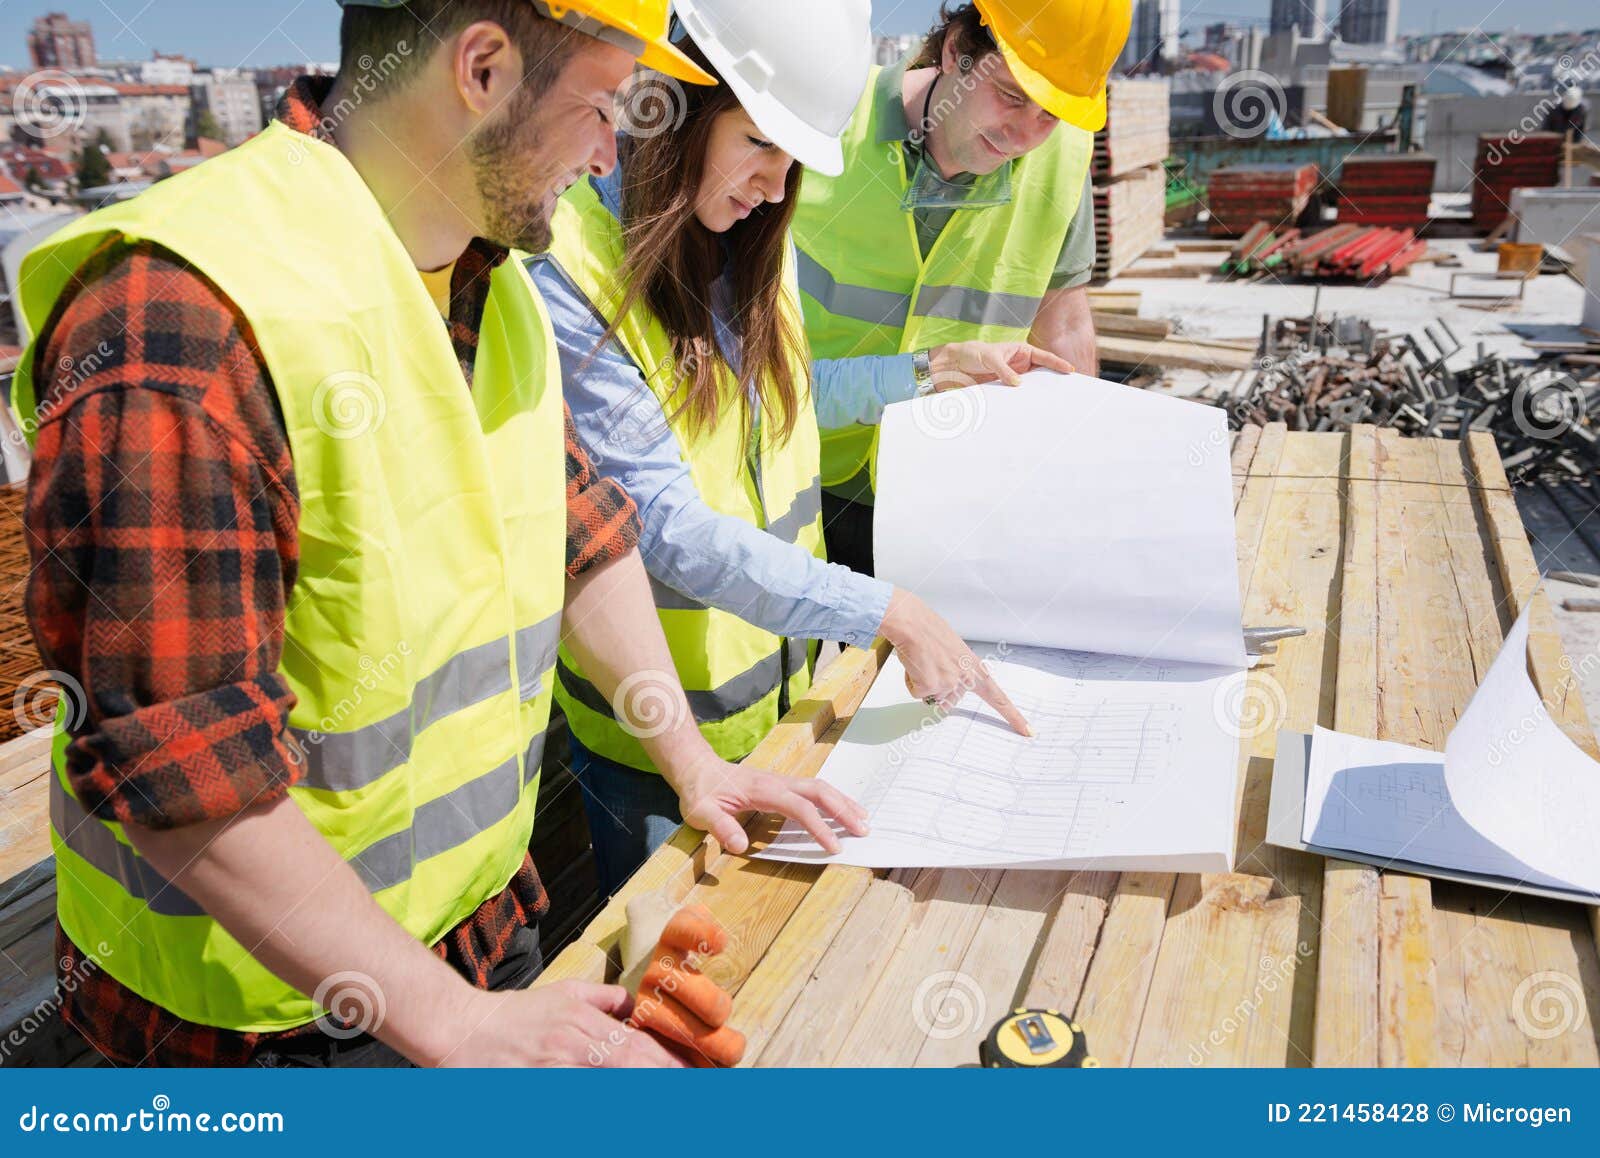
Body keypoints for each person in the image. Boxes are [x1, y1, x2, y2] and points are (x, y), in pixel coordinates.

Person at [17, 0, 863, 1069]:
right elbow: (182, 766)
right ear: (482, 69)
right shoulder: (181, 320)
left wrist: (692, 765)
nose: (614, 149)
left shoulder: (484, 285)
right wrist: (452, 1020)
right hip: (257, 1031)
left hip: (475, 945)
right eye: (602, 107)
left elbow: (583, 532)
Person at [530, 0, 1068, 891]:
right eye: (758, 145)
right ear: (678, 108)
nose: (775, 189)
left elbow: (782, 403)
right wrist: (884, 610)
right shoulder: (569, 270)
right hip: (660, 745)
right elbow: (659, 525)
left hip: (777, 708)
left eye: (792, 162)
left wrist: (932, 369)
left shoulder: (739, 233)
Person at [791, 0, 1132, 576]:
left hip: (946, 483)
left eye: (1050, 113)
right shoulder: (829, 122)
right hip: (801, 462)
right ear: (955, 51)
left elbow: (1066, 321)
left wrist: (1079, 469)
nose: (1024, 134)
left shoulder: (1063, 158)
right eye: (1011, 95)